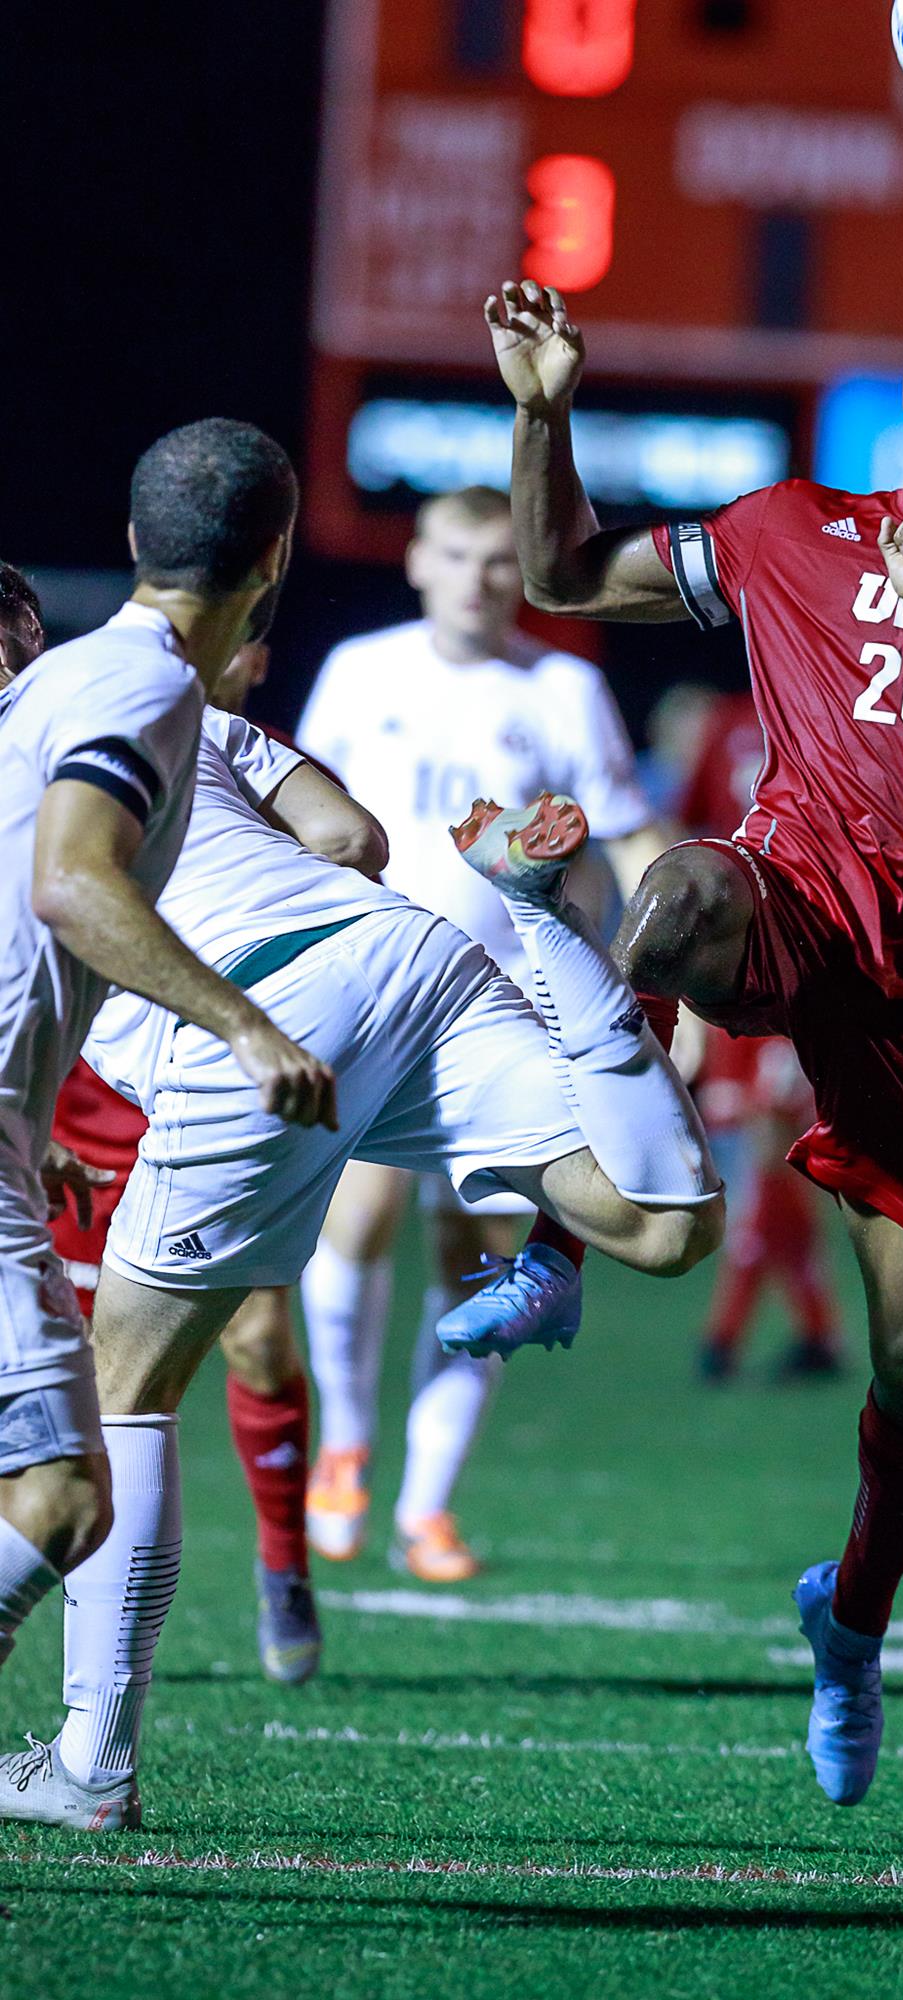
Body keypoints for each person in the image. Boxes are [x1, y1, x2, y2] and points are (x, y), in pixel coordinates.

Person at [473, 277, 903, 1808]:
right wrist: (541, 408)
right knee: (674, 895)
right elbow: (564, 574)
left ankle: (851, 1626)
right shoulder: (784, 533)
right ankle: (558, 1254)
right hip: (794, 901)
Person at [0, 720, 722, 1827]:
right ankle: (544, 912)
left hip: (247, 1027)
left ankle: (93, 1761)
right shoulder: (166, 700)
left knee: (125, 1391)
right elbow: (352, 836)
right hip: (407, 950)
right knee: (662, 1222)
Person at [0, 420, 333, 1699]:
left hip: (33, 1140)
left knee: (72, 1478)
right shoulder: (126, 689)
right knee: (65, 1493)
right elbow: (74, 884)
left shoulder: (97, 700)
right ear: (276, 556)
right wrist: (246, 1020)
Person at [296, 486, 666, 1582]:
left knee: (484, 1256)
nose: (476, 577)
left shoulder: (561, 687)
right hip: (369, 988)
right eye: (456, 554)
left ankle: (426, 1502)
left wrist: (692, 942)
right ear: (417, 561)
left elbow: (627, 828)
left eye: (500, 559)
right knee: (356, 1216)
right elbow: (298, 810)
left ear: (524, 572)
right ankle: (345, 1443)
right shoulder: (363, 671)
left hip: (508, 1008)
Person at [45, 639, 373, 1686]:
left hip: (197, 1090)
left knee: (254, 1338)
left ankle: (283, 1566)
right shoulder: (42, 772)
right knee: (66, 1381)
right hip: (56, 1118)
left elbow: (352, 839)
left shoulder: (211, 746)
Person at [678, 693, 842, 1382]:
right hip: (730, 980)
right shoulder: (727, 722)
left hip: (796, 974)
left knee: (764, 1162)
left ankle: (722, 1339)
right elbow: (686, 837)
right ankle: (817, 1336)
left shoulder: (833, 712)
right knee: (763, 1171)